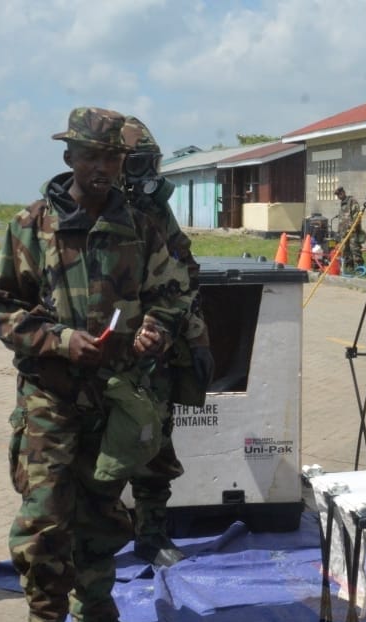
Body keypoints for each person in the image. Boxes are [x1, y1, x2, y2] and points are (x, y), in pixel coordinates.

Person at [0, 107, 205, 622]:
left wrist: (157, 325)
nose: (104, 167)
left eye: (114, 158)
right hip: (51, 397)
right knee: (45, 517)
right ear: (69, 158)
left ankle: (98, 618)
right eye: (92, 156)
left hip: (114, 397)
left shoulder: (141, 225)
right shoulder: (32, 226)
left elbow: (174, 289)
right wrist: (57, 339)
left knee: (103, 512)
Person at [119, 116, 214, 567]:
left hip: (156, 350)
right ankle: (92, 544)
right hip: (101, 352)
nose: (148, 177)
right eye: (138, 165)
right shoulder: (72, 212)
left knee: (155, 445)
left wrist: (198, 339)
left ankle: (151, 535)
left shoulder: (156, 212)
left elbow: (184, 274)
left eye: (151, 164)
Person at [333, 186, 366, 270]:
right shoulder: (342, 204)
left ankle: (360, 267)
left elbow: (357, 217)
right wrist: (339, 232)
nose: (339, 196)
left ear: (343, 192)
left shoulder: (352, 201)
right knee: (345, 250)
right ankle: (349, 267)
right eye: (337, 195)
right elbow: (342, 220)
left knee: (355, 249)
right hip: (344, 233)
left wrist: (351, 228)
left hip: (352, 232)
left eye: (340, 194)